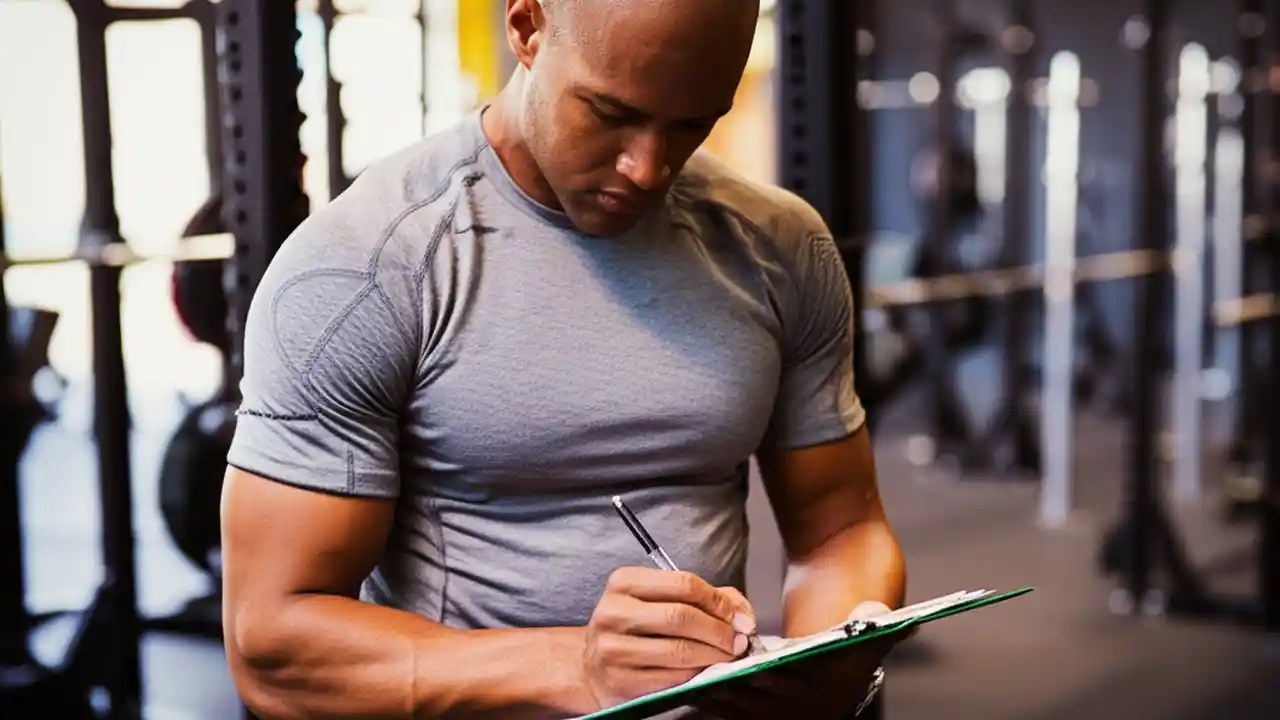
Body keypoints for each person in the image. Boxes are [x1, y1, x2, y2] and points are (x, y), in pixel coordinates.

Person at [219, 0, 907, 717]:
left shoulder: (782, 248)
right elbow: (273, 645)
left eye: (690, 124)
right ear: (525, 27)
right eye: (609, 113)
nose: (647, 168)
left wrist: (834, 651)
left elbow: (841, 529)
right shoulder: (366, 265)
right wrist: (576, 667)